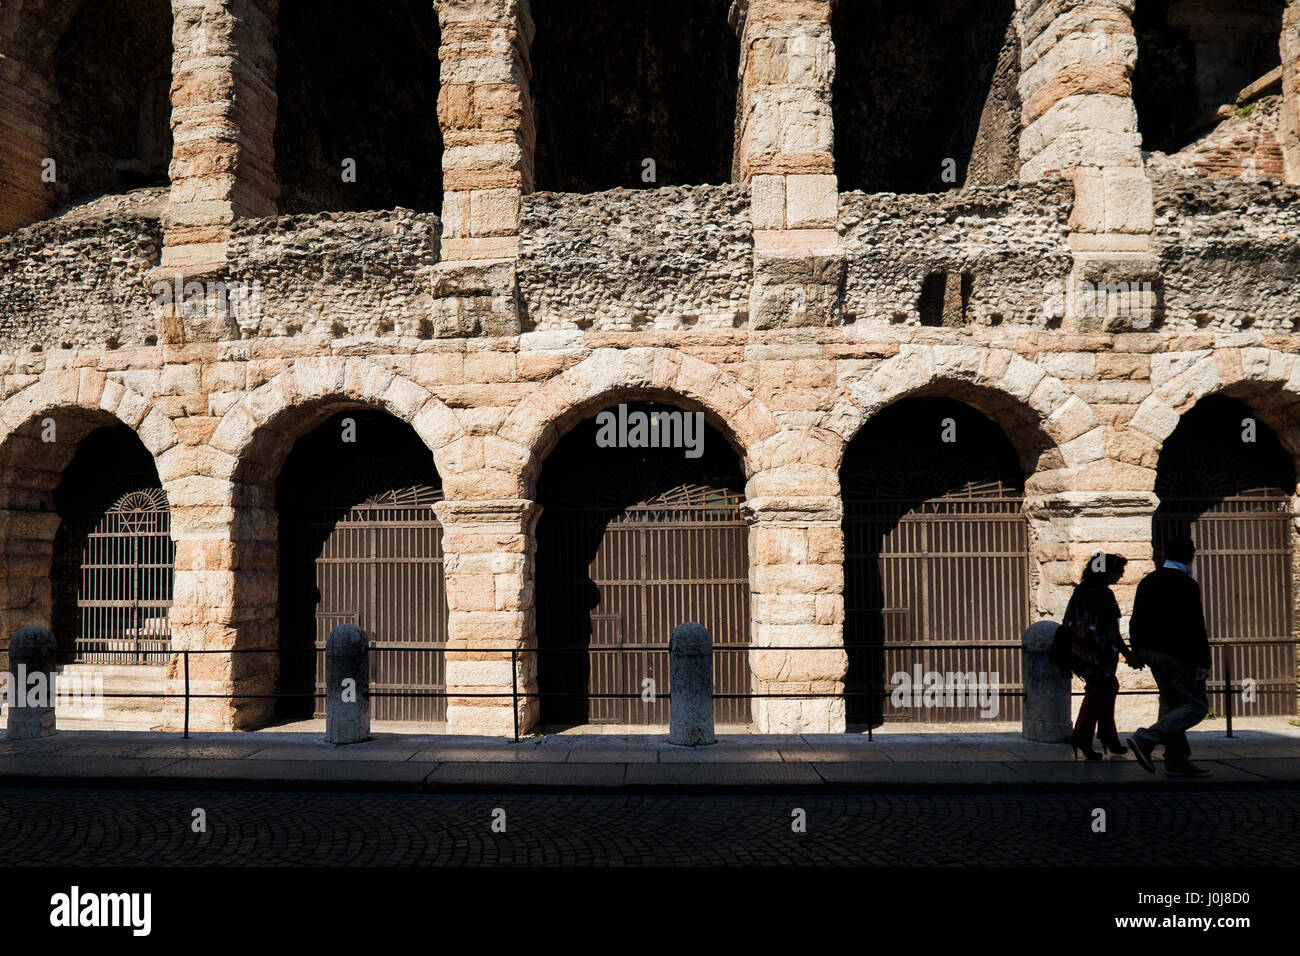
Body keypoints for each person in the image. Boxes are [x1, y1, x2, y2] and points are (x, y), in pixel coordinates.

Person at [1126, 535, 1212, 777]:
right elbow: (1195, 625)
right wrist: (1203, 662)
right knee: (1196, 706)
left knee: (1172, 703)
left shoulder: (1148, 581)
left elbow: (1136, 619)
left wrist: (1137, 650)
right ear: (1191, 556)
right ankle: (1146, 738)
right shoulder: (1186, 584)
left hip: (1151, 653)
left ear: (1164, 555)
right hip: (1178, 655)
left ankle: (1177, 760)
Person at [1060, 552, 1134, 760]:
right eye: (1118, 571)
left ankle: (1105, 737)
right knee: (1099, 694)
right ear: (1107, 572)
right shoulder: (1104, 594)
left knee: (1104, 691)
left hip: (1082, 654)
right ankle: (1087, 738)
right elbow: (1111, 631)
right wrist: (1127, 653)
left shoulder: (1081, 592)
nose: (1120, 576)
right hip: (1099, 656)